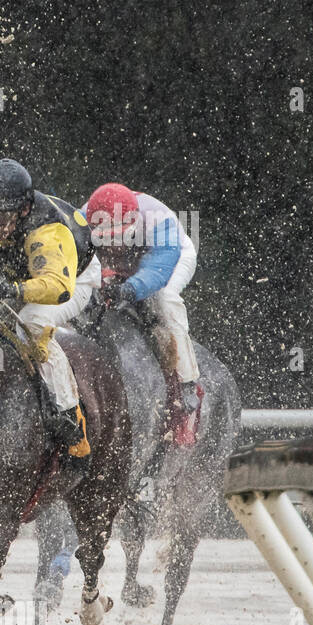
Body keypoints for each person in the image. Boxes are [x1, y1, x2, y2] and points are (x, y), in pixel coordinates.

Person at [0, 158, 99, 448]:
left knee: (31, 322)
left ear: (24, 210)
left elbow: (57, 287)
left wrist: (10, 289)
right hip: (14, 270)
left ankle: (70, 417)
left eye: (1, 218)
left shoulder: (46, 230)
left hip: (72, 278)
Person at [84, 181, 202, 446]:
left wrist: (130, 290)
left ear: (134, 225)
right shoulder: (80, 222)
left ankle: (187, 384)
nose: (112, 246)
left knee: (165, 299)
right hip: (129, 258)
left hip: (168, 255)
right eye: (105, 239)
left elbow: (157, 271)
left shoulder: (161, 224)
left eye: (119, 238)